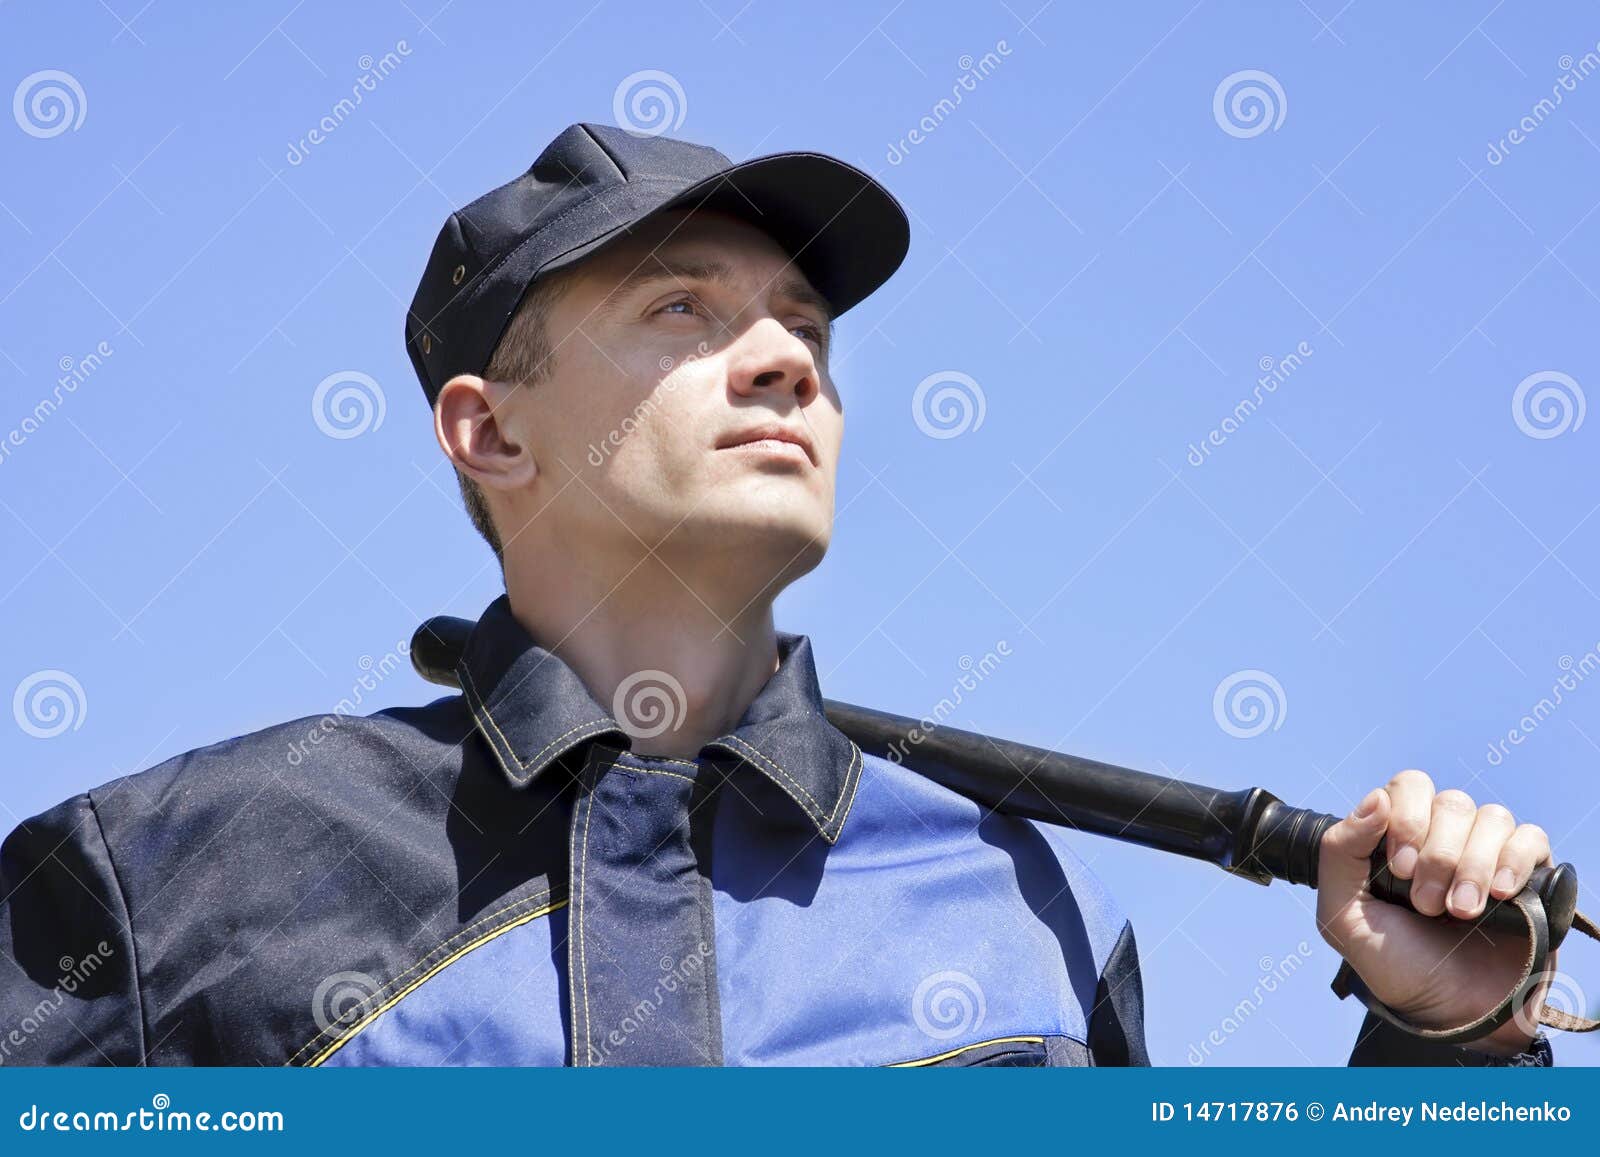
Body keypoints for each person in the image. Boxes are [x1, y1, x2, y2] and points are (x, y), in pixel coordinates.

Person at [0, 122, 1560, 1066]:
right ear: (490, 431)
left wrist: (1448, 1036)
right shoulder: (175, 878)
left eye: (805, 326)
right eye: (683, 306)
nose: (784, 360)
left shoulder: (1023, 911)